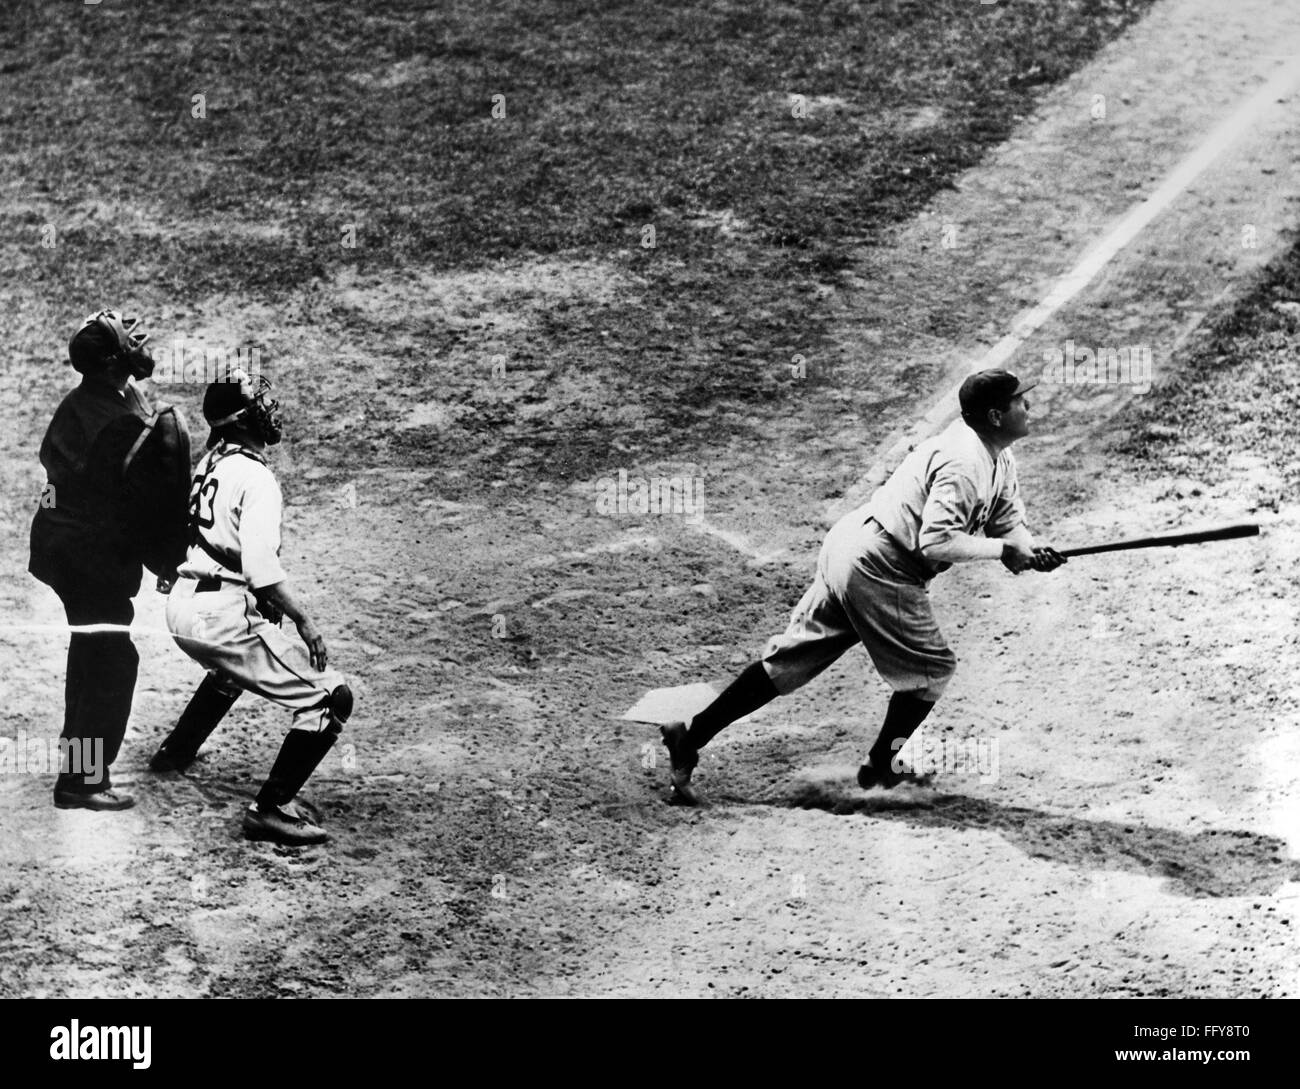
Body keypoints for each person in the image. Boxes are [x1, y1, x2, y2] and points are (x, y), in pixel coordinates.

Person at [660, 369, 1067, 805]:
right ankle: (882, 765)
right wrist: (1004, 551)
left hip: (853, 546)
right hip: (881, 564)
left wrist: (1030, 548)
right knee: (931, 670)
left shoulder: (996, 454)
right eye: (1022, 401)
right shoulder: (966, 463)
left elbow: (1008, 521)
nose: (1030, 407)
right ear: (995, 415)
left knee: (790, 661)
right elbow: (937, 540)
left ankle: (691, 736)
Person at [154, 368, 353, 846]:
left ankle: (175, 753)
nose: (269, 410)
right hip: (221, 618)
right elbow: (261, 569)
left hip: (182, 611)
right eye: (258, 404)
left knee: (235, 662)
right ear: (239, 421)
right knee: (330, 697)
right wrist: (306, 621)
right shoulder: (258, 477)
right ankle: (270, 810)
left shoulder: (209, 464)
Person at [30, 309, 190, 811]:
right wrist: (168, 558)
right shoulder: (116, 425)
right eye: (130, 339)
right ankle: (81, 783)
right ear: (112, 361)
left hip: (63, 546)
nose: (141, 341)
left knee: (91, 649)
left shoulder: (89, 402)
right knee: (111, 660)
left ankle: (75, 759)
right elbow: (139, 507)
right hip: (87, 558)